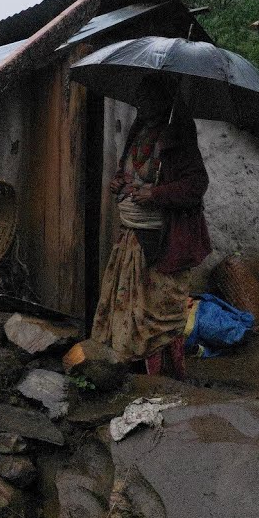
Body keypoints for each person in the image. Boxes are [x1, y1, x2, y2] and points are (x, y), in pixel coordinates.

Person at [91, 75, 212, 379]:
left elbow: (196, 185)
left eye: (148, 98)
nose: (141, 104)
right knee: (130, 308)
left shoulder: (178, 135)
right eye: (140, 99)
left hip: (165, 239)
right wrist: (119, 180)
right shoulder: (140, 130)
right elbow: (129, 169)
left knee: (158, 313)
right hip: (132, 233)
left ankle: (164, 380)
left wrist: (156, 194)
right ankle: (131, 372)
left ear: (164, 100)